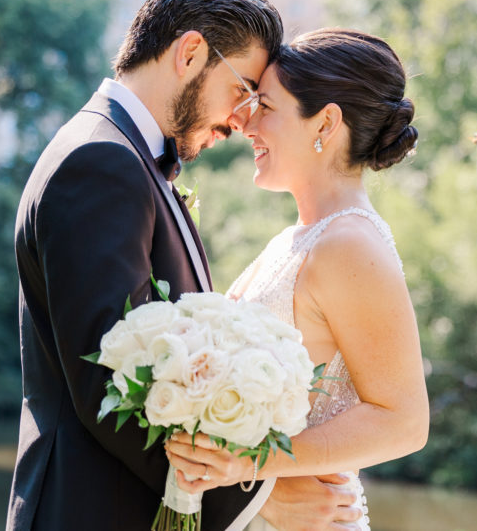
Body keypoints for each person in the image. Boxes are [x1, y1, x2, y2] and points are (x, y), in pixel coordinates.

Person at [6, 0, 362, 531]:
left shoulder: (128, 160)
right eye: (242, 89)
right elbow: (106, 378)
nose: (242, 119)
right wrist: (255, 497)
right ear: (191, 53)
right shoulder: (102, 164)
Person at [163, 28, 430, 531]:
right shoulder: (297, 239)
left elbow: (404, 421)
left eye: (264, 105)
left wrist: (250, 465)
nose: (244, 122)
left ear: (326, 122)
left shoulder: (351, 245)